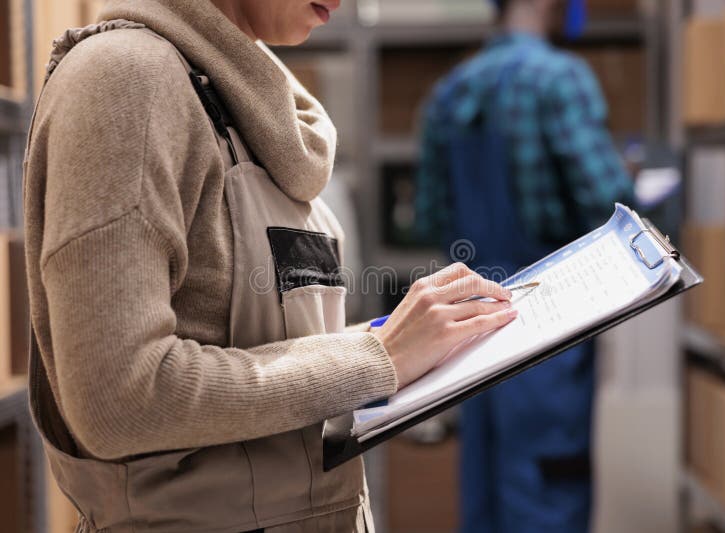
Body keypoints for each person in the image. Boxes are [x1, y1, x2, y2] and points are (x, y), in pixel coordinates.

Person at [23, 1, 520, 531]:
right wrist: (379, 357)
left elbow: (261, 343)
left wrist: (411, 342)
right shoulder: (124, 81)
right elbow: (119, 398)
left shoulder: (245, 103)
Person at [415, 0, 636, 531]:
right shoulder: (560, 79)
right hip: (550, 329)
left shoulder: (450, 93)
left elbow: (430, 219)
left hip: (471, 333)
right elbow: (611, 201)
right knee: (548, 487)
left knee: (486, 493)